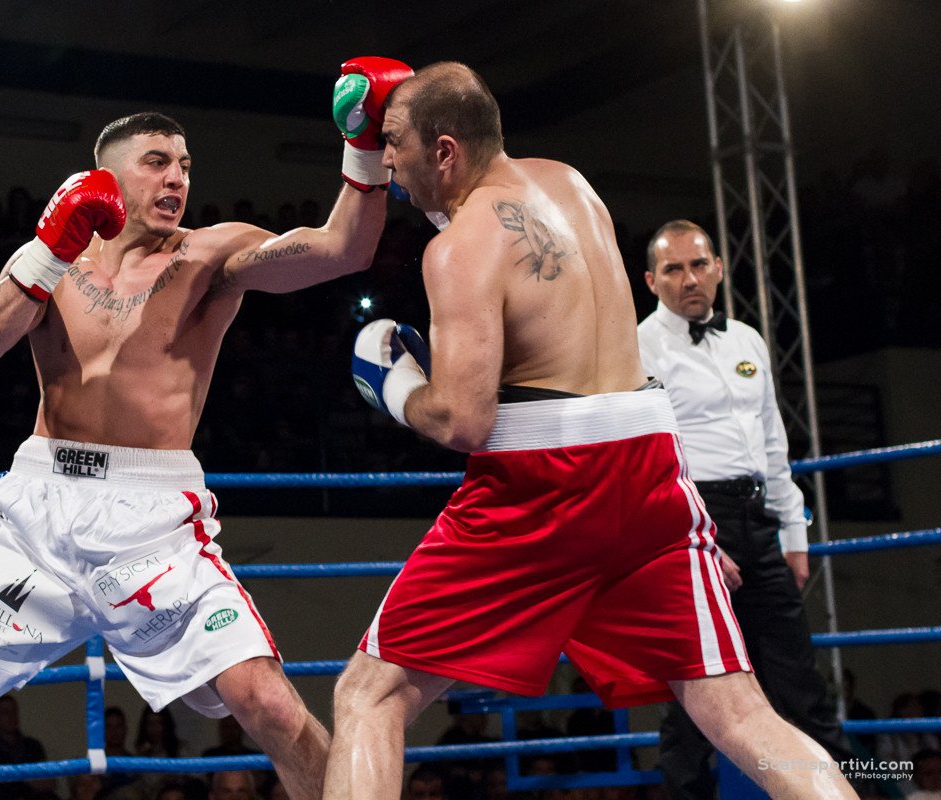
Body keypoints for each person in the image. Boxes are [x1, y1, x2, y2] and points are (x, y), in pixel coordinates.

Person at [323, 61, 858, 800]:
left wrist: (397, 388)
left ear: (444, 150)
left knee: (369, 696)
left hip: (543, 486)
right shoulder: (570, 184)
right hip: (651, 472)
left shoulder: (456, 250)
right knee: (740, 712)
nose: (384, 159)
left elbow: (464, 419)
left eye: (393, 142)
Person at [0, 56, 414, 800]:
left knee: (267, 704)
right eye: (158, 162)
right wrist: (48, 251)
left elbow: (343, 249)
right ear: (107, 176)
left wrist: (361, 148)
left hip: (155, 525)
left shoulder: (210, 255)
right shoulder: (54, 261)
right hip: (39, 516)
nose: (177, 179)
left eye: (185, 166)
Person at [637, 218, 854, 799]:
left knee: (800, 685)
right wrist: (692, 536)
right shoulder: (637, 346)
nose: (689, 279)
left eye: (698, 264)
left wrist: (794, 535)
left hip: (759, 523)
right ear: (652, 280)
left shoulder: (747, 340)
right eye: (674, 269)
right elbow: (647, 457)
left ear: (718, 268)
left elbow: (772, 443)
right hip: (692, 522)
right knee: (695, 700)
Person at [0, 695, 48, 800]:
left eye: (14, 711)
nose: (12, 716)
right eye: (5, 712)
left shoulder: (33, 746)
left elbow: (46, 783)